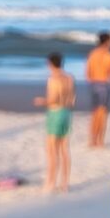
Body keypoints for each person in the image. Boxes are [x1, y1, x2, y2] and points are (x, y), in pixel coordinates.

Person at [34, 52, 76, 192]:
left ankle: (50, 182)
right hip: (66, 113)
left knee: (52, 151)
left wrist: (41, 101)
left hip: (55, 113)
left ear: (50, 64)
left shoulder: (53, 79)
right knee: (64, 149)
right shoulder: (69, 78)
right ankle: (65, 183)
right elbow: (72, 99)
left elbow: (53, 98)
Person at [85, 31, 110, 148]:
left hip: (94, 84)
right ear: (107, 41)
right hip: (106, 85)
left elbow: (88, 72)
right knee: (102, 115)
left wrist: (92, 82)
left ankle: (92, 140)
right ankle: (100, 141)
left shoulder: (92, 54)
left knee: (94, 114)